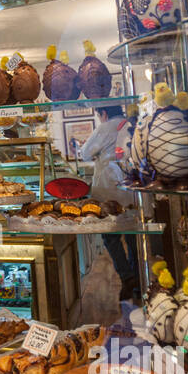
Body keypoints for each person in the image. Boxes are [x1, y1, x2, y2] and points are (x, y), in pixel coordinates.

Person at [78, 104, 138, 299]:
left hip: (108, 190)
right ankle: (138, 279)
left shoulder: (105, 127)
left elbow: (85, 153)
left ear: (103, 113)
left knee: (110, 237)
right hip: (132, 188)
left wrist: (98, 153)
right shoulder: (131, 124)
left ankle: (127, 276)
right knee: (134, 235)